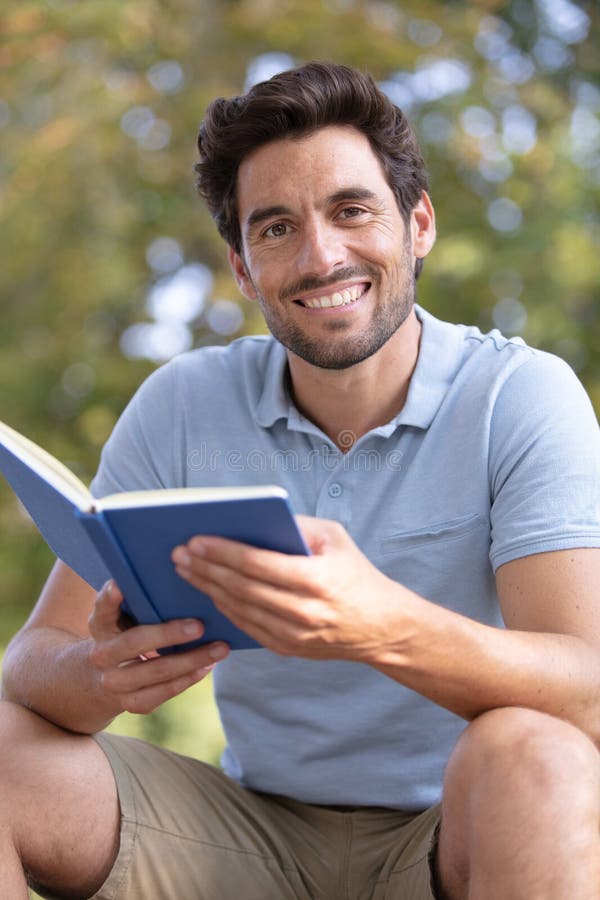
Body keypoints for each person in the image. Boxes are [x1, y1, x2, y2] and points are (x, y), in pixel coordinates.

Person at [1, 61, 600, 900]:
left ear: (418, 224)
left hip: (455, 834)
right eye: (276, 228)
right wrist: (95, 677)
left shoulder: (518, 396)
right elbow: (31, 661)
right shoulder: (182, 402)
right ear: (244, 270)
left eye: (351, 210)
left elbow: (588, 692)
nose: (321, 257)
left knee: (540, 752)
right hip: (245, 836)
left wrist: (379, 626)